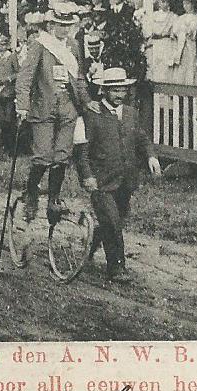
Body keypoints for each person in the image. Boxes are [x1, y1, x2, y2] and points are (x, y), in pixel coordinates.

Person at [72, 67, 159, 282]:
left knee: (115, 219)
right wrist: (87, 176)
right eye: (114, 90)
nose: (120, 94)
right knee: (112, 221)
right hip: (101, 181)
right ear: (104, 91)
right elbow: (81, 151)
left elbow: (141, 138)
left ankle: (92, 244)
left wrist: (151, 157)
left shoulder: (130, 113)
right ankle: (116, 268)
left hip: (126, 179)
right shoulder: (92, 115)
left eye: (123, 90)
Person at [15, 7, 92, 226]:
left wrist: (87, 102)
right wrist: (22, 105)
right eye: (60, 25)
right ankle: (31, 193)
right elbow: (25, 77)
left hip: (67, 107)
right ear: (51, 26)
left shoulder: (75, 46)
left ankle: (53, 200)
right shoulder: (40, 45)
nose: (64, 30)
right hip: (43, 107)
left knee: (62, 155)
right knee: (43, 155)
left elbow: (78, 78)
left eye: (67, 26)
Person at [0, 33, 19, 153]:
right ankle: (2, 146)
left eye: (3, 45)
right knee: (0, 120)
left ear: (7, 45)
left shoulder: (12, 57)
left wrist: (7, 79)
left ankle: (10, 147)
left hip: (9, 92)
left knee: (9, 120)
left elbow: (18, 72)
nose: (1, 48)